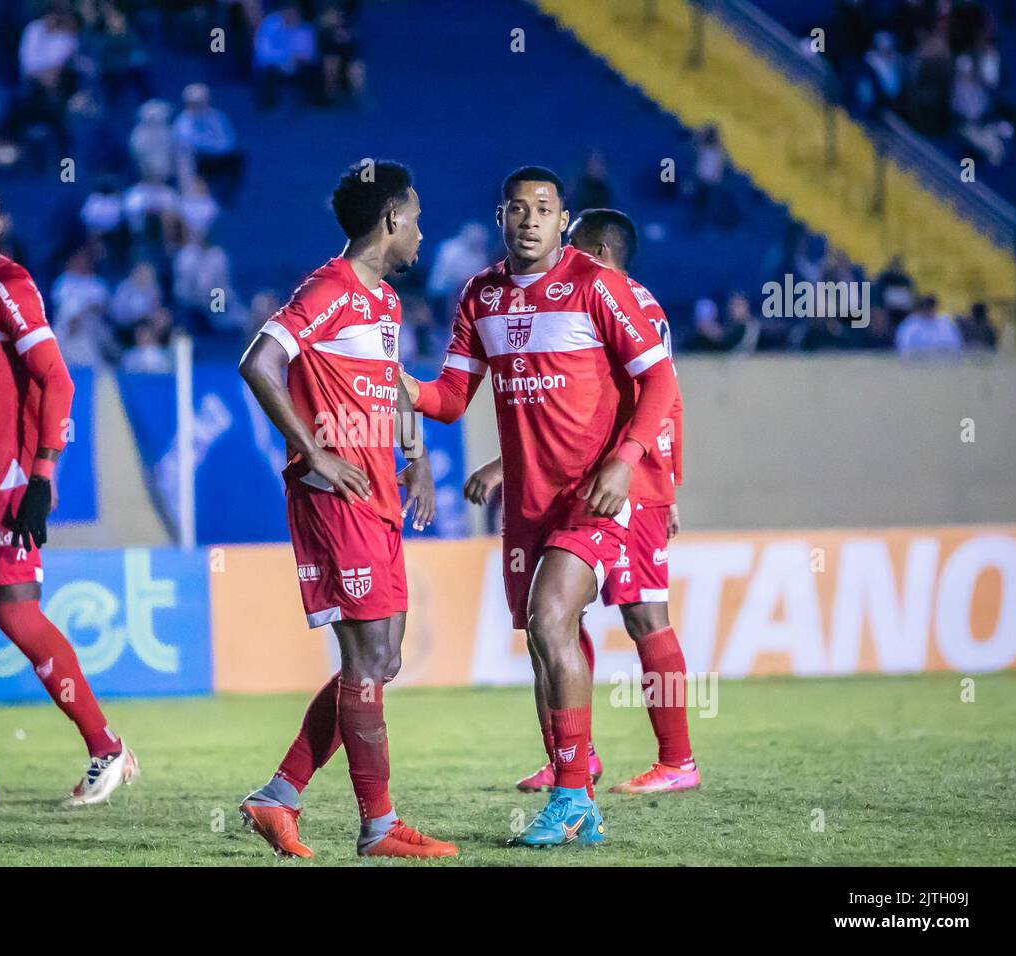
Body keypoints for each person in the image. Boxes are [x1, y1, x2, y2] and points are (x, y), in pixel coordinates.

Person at [401, 168, 679, 848]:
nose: (529, 220)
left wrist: (626, 460)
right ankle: (574, 786)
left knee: (553, 618)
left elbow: (661, 380)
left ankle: (576, 793)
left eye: (544, 209)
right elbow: (450, 398)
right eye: (517, 209)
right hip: (527, 505)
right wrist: (397, 381)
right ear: (501, 219)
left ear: (563, 221)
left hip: (595, 494)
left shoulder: (597, 286)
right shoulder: (482, 297)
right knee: (540, 637)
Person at [236, 159, 456, 859]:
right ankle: (378, 825)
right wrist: (314, 453)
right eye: (416, 216)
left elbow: (390, 385)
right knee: (367, 658)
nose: (422, 230)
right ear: (390, 219)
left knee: (381, 660)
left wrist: (416, 453)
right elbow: (258, 362)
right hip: (336, 497)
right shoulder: (328, 289)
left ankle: (278, 797)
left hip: (379, 493)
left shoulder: (384, 303)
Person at [0, 180, 138, 808]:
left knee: (16, 614)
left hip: (3, 483)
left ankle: (107, 748)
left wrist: (42, 474)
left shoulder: (9, 287)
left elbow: (57, 379)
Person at [461, 210, 699, 796]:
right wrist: (506, 464)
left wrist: (658, 481)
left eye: (570, 242)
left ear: (594, 248)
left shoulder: (616, 297)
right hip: (603, 479)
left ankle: (677, 760)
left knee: (644, 613)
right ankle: (576, 756)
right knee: (560, 616)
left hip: (627, 483)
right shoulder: (608, 300)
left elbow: (658, 394)